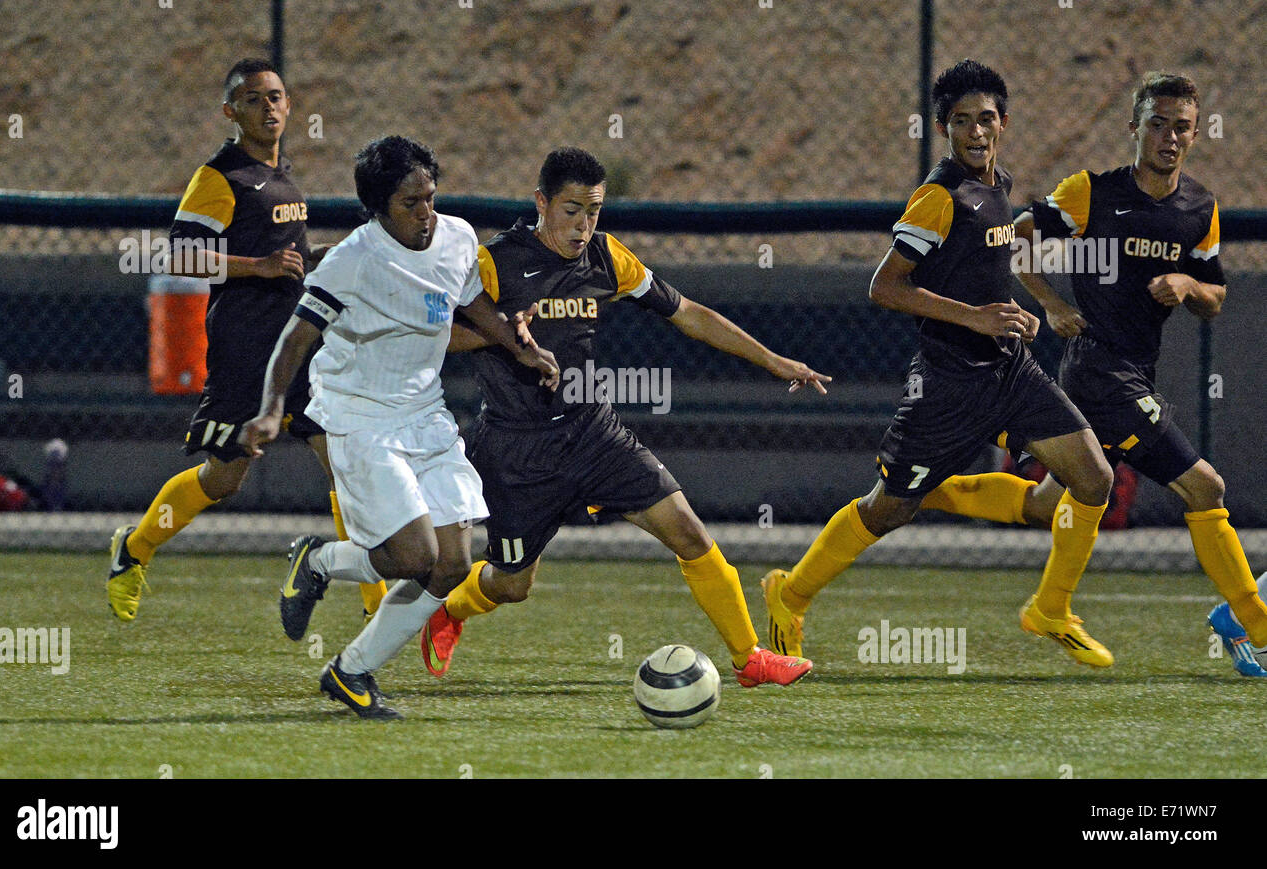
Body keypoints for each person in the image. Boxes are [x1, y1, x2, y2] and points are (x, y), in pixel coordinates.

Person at [419, 146, 828, 688]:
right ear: (541, 203)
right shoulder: (494, 263)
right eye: (570, 210)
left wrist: (772, 360)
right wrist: (505, 333)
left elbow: (688, 314)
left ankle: (748, 658)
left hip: (593, 431)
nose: (583, 225)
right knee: (512, 585)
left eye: (593, 211)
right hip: (517, 448)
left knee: (689, 532)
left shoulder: (609, 258)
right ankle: (451, 611)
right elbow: (439, 335)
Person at [762, 60, 1118, 667]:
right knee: (889, 508)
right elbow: (885, 286)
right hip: (948, 383)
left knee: (1093, 478)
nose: (977, 132)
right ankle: (789, 595)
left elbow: (981, 273)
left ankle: (1050, 609)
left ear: (1003, 121)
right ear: (943, 129)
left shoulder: (999, 185)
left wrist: (1008, 310)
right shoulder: (937, 197)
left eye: (986, 119)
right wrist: (976, 317)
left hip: (1009, 370)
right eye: (961, 122)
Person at [919, 72, 1267, 677]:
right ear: (1134, 128)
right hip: (1101, 373)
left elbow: (1215, 297)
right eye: (1156, 123)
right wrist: (1050, 304)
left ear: (1195, 133)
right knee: (1204, 487)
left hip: (1136, 372)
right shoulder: (1092, 192)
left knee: (1047, 502)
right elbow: (1015, 240)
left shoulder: (1199, 209)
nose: (1169, 136)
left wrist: (1187, 284)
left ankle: (919, 489)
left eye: (1181, 126)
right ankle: (1254, 622)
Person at [239, 136, 558, 718]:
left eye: (430, 197)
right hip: (360, 417)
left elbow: (471, 301)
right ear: (379, 209)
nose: (425, 213)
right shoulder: (352, 261)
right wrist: (269, 408)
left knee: (455, 562)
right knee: (412, 557)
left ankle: (350, 671)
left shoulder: (456, 237)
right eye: (411, 203)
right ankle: (318, 562)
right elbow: (296, 338)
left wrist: (520, 349)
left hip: (424, 411)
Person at [105, 59, 387, 624]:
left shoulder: (286, 175)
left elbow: (288, 261)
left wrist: (320, 266)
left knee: (343, 463)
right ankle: (134, 549)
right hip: (244, 351)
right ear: (230, 111)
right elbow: (180, 255)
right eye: (254, 99)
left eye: (277, 96)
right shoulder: (220, 177)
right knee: (223, 478)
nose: (270, 107)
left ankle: (373, 604)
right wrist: (257, 266)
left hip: (301, 346)